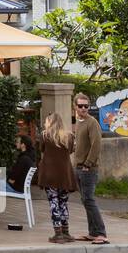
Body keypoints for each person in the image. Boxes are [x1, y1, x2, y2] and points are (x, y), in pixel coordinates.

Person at [35, 112, 78, 244]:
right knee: (63, 203)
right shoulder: (69, 136)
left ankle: (58, 233)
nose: (44, 124)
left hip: (49, 174)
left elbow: (42, 150)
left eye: (46, 121)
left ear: (50, 122)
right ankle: (66, 232)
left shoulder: (44, 136)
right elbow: (71, 150)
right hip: (65, 174)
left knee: (54, 202)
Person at [72, 94, 108, 244]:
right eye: (80, 106)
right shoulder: (79, 123)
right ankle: (93, 233)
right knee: (85, 200)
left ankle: (101, 233)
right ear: (75, 106)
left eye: (86, 106)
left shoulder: (91, 122)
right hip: (79, 167)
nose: (84, 109)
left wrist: (88, 164)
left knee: (89, 200)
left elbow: (97, 144)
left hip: (88, 169)